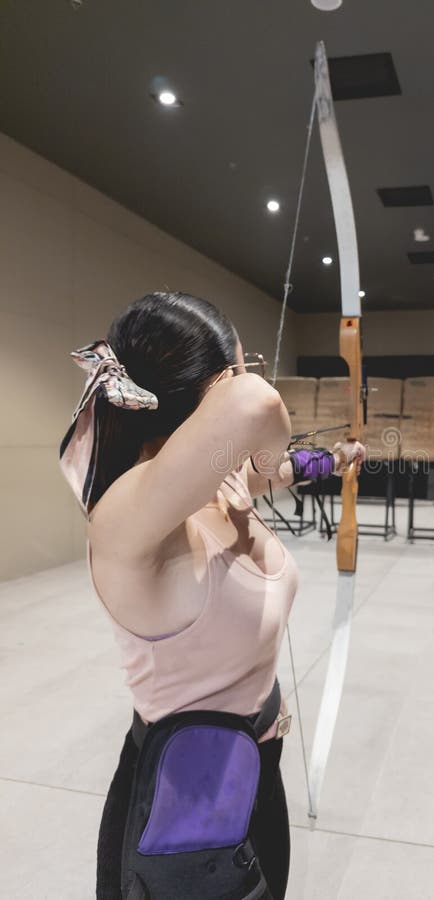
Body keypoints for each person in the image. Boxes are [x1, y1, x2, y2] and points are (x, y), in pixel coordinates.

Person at [58, 291, 365, 900]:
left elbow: (271, 468)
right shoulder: (124, 519)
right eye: (239, 366)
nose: (250, 377)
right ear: (220, 386)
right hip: (181, 804)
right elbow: (256, 406)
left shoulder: (214, 476)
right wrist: (247, 393)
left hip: (257, 769)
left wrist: (328, 460)